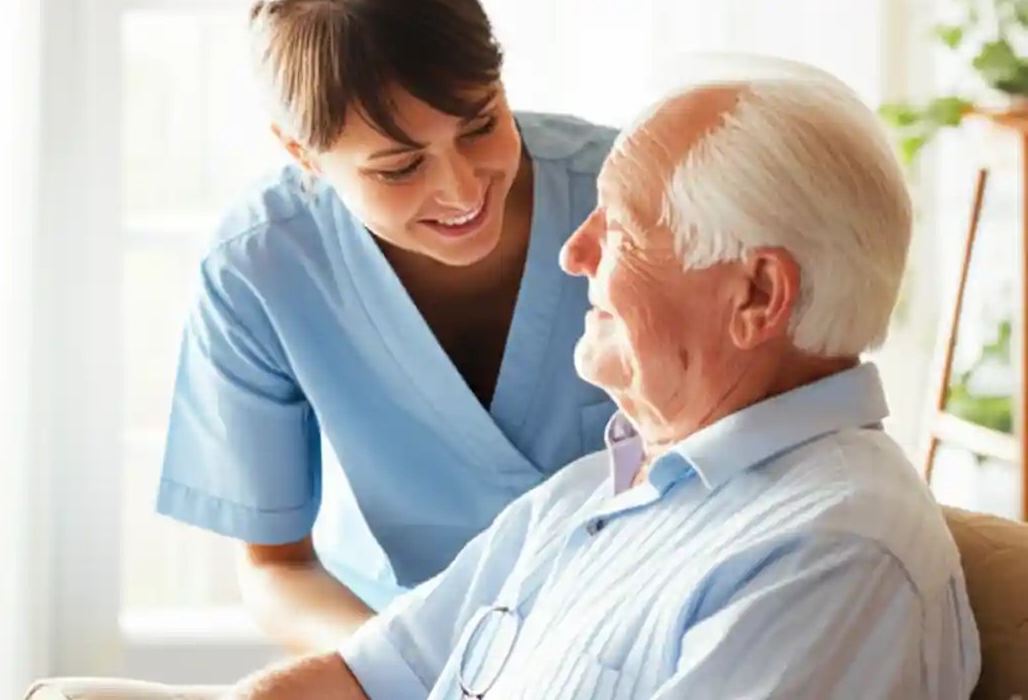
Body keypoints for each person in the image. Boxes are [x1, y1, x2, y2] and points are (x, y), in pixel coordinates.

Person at [222, 63, 982, 699]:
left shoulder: (833, 554)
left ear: (756, 296)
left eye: (619, 229)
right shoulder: (591, 492)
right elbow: (358, 682)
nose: (574, 252)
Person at [157, 0, 618, 653]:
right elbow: (278, 567)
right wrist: (406, 672)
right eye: (400, 168)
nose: (461, 189)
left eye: (481, 126)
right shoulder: (256, 269)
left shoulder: (633, 195)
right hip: (399, 648)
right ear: (302, 154)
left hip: (640, 634)